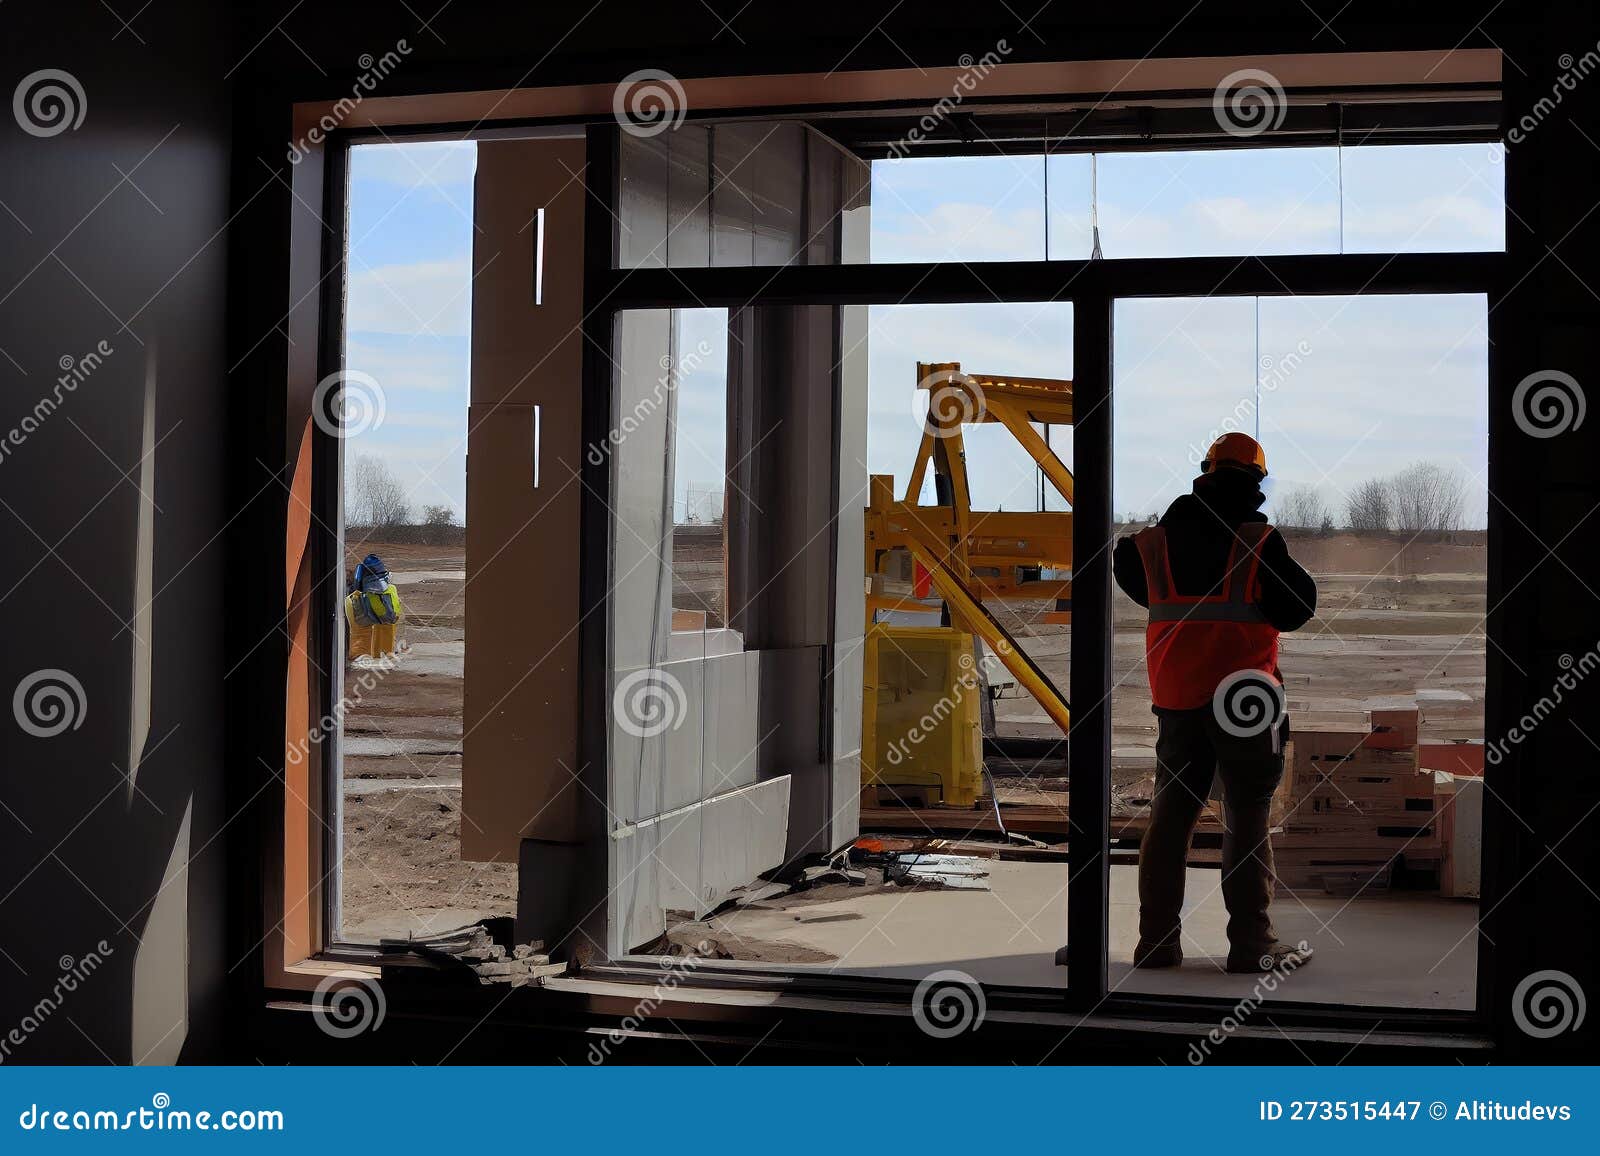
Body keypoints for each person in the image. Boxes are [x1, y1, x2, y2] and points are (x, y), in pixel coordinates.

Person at [1112, 432, 1317, 973]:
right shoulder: (1257, 540)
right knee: (1246, 816)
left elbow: (1133, 577)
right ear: (1255, 481)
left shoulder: (1151, 544)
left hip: (1177, 699)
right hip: (1243, 701)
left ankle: (1156, 943)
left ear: (1204, 472)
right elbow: (1299, 608)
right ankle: (1251, 946)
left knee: (1171, 816)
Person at [345, 552, 403, 660]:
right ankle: (383, 653)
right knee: (385, 626)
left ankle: (361, 655)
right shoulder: (391, 590)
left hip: (363, 607)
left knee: (362, 631)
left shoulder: (353, 598)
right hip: (387, 613)